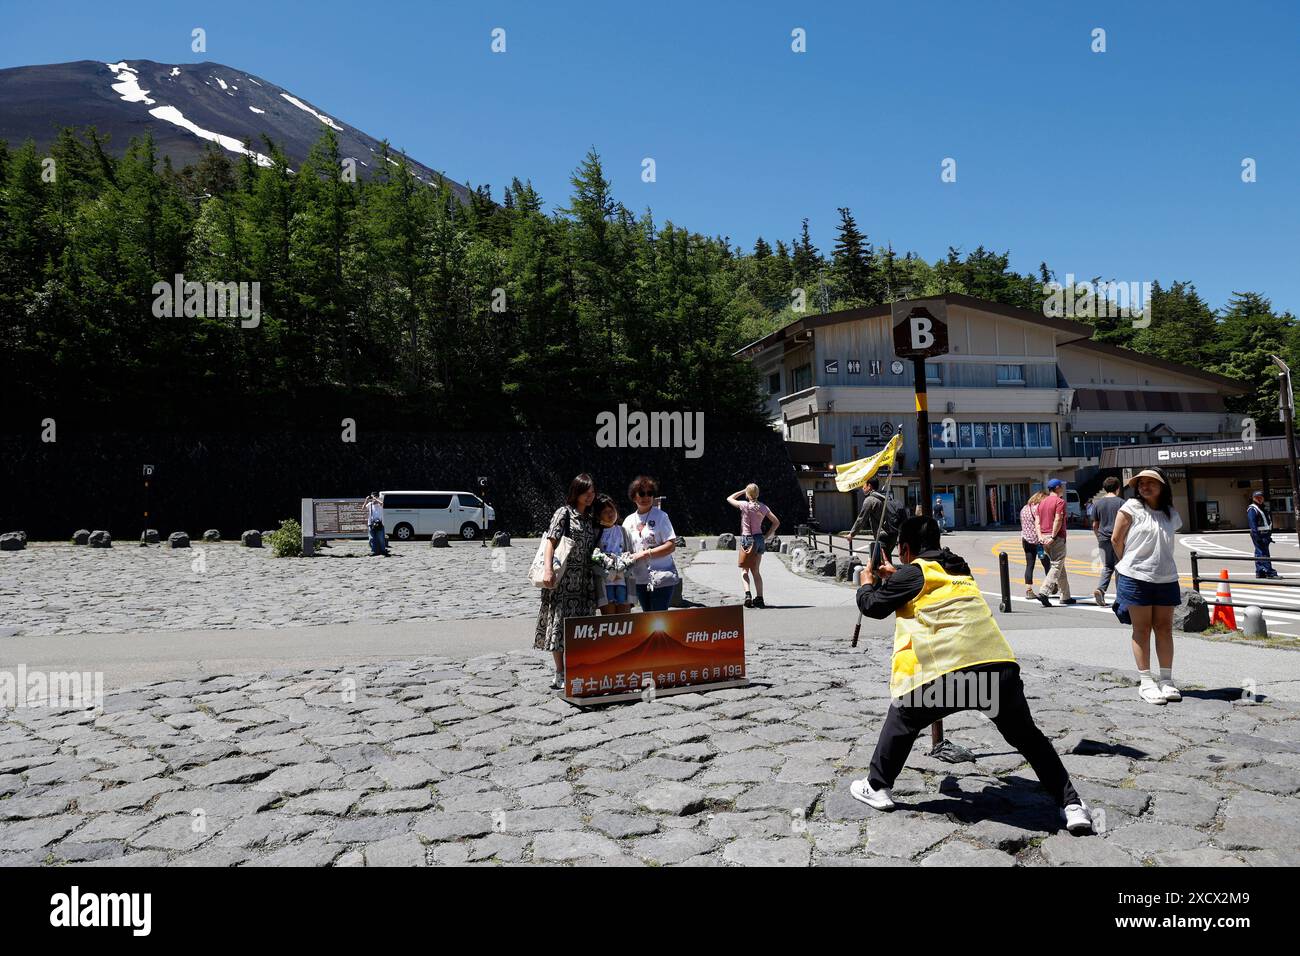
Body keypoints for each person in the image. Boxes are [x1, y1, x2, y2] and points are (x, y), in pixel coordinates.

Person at [848, 516, 1093, 832]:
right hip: (997, 669)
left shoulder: (913, 572)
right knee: (1028, 738)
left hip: (947, 676)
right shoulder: (960, 568)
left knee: (904, 717)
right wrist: (899, 575)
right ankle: (1072, 805)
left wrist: (867, 582)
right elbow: (928, 584)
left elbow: (873, 606)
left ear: (905, 549)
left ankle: (878, 786)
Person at [1111, 468, 1183, 705]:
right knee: (1141, 629)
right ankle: (1146, 682)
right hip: (1135, 576)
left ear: (1162, 486)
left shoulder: (1170, 513)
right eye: (1141, 483)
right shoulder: (1131, 507)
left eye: (1151, 482)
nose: (1144, 486)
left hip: (1166, 577)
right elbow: (1116, 540)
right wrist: (1129, 564)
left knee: (1164, 628)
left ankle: (1166, 680)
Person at [534, 474, 601, 690]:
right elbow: (550, 543)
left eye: (592, 493)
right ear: (576, 492)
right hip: (563, 581)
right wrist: (547, 569)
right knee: (560, 627)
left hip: (584, 583)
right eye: (586, 492)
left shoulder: (591, 518)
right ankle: (559, 672)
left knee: (581, 629)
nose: (590, 496)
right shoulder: (563, 513)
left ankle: (576, 669)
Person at [624, 475, 679, 612]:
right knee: (647, 615)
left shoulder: (661, 516)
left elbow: (671, 545)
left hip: (661, 577)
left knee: (659, 616)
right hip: (639, 578)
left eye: (650, 493)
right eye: (642, 493)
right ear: (634, 496)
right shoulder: (628, 521)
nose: (646, 497)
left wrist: (645, 554)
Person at [727, 484, 780, 608]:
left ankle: (748, 595)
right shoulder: (763, 507)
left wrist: (742, 490)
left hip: (747, 539)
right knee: (756, 571)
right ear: (758, 494)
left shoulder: (744, 505)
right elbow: (776, 522)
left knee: (744, 570)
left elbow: (729, 498)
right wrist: (766, 536)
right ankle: (760, 598)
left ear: (747, 494)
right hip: (759, 538)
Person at [848, 477, 905, 571]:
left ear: (869, 486)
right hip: (892, 534)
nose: (862, 488)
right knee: (884, 562)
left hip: (882, 536)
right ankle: (886, 583)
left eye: (864, 485)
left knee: (884, 564)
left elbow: (861, 519)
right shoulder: (884, 497)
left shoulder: (870, 500)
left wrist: (851, 534)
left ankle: (890, 583)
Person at [1035, 478, 1075, 606]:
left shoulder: (1042, 502)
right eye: (1061, 487)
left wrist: (1040, 536)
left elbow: (1037, 521)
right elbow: (1058, 519)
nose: (1062, 489)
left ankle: (1065, 595)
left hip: (1043, 536)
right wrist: (1053, 536)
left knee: (1060, 566)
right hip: (1056, 537)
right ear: (1057, 488)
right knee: (1057, 565)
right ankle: (1044, 591)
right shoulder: (1059, 502)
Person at [593, 493, 634, 614]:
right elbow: (593, 560)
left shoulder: (624, 531)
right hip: (605, 582)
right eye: (605, 512)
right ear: (598, 515)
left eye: (611, 510)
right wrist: (608, 574)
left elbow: (631, 555)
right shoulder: (595, 533)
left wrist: (623, 572)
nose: (610, 514)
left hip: (624, 581)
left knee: (624, 619)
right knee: (609, 619)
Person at [1091, 476, 1125, 606]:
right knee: (1119, 567)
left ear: (1104, 489)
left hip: (1103, 538)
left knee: (1107, 566)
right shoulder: (1121, 502)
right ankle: (1120, 597)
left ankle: (1101, 589)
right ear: (1117, 488)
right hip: (1118, 539)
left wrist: (1098, 536)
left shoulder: (1098, 503)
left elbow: (1095, 524)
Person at [1019, 491, 1052, 599]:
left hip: (1026, 540)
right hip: (1039, 542)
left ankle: (1028, 589)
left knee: (1029, 565)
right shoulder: (1039, 508)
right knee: (1046, 563)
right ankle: (1050, 586)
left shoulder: (1024, 508)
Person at [1248, 490, 1279, 579]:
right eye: (1257, 497)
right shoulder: (1252, 509)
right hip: (1259, 534)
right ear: (1253, 498)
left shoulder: (1262, 508)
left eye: (1261, 497)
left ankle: (1260, 572)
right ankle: (1269, 571)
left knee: (1259, 553)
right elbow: (1252, 524)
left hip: (1265, 534)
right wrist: (1257, 536)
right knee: (1263, 553)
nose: (1259, 499)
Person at [364, 493, 390, 557]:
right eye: (373, 497)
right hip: (371, 523)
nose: (373, 499)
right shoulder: (370, 504)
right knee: (372, 538)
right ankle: (374, 551)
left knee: (381, 538)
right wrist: (366, 500)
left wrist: (375, 498)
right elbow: (363, 508)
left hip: (380, 524)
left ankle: (383, 551)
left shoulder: (379, 504)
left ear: (377, 497)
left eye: (375, 497)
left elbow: (382, 503)